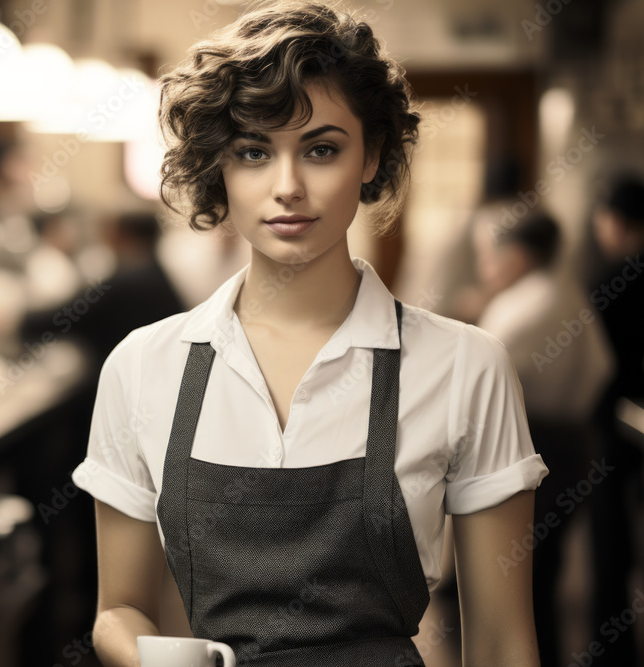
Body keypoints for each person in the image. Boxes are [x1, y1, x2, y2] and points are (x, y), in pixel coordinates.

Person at [72, 3, 549, 665]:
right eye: (253, 151)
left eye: (321, 149)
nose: (288, 186)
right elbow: (118, 610)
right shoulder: (143, 366)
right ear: (221, 167)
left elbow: (501, 645)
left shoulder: (466, 366)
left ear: (371, 155)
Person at [469, 209, 613, 667]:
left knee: (519, 583)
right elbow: (601, 369)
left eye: (494, 254)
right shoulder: (563, 291)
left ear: (519, 255)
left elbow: (479, 383)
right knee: (540, 578)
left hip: (533, 445)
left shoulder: (525, 304)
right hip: (572, 443)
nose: (486, 266)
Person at [586, 174, 644, 667]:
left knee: (611, 546)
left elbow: (594, 367)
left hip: (615, 426)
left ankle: (611, 653)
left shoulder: (610, 285)